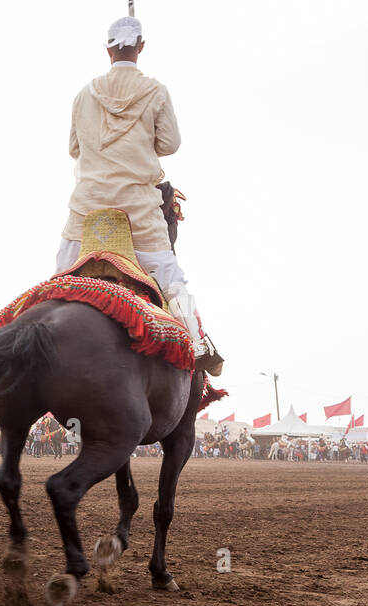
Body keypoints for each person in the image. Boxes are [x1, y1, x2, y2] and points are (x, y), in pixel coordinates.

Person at [56, 14, 222, 375]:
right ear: (141, 47)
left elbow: (74, 148)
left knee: (57, 281)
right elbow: (170, 144)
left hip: (85, 215)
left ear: (108, 49)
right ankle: (196, 344)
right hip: (139, 215)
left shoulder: (84, 93)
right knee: (172, 280)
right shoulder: (156, 90)